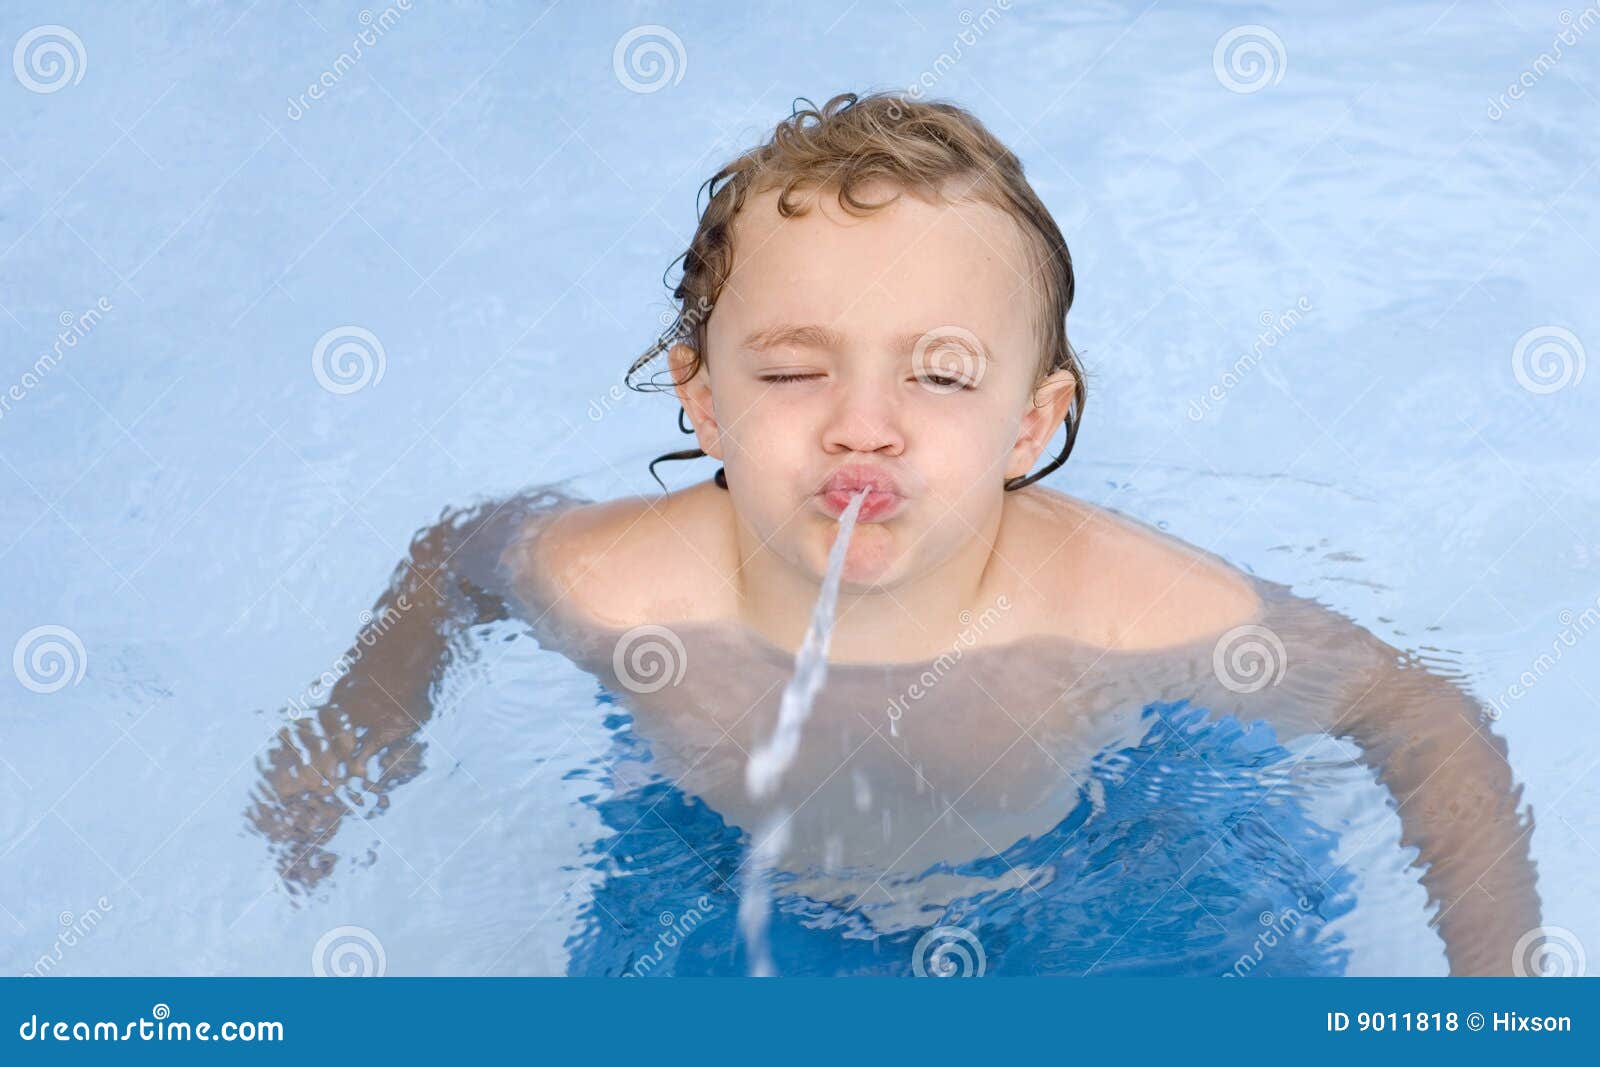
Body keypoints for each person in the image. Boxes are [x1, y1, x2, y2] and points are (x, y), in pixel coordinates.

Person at [247, 92, 1539, 975]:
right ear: (702, 399)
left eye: (940, 376)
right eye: (797, 371)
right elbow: (461, 557)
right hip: (718, 866)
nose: (864, 428)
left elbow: (1418, 715)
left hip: (1092, 870)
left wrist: (1497, 996)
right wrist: (358, 729)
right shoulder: (620, 586)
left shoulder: (1120, 611)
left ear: (1032, 425)